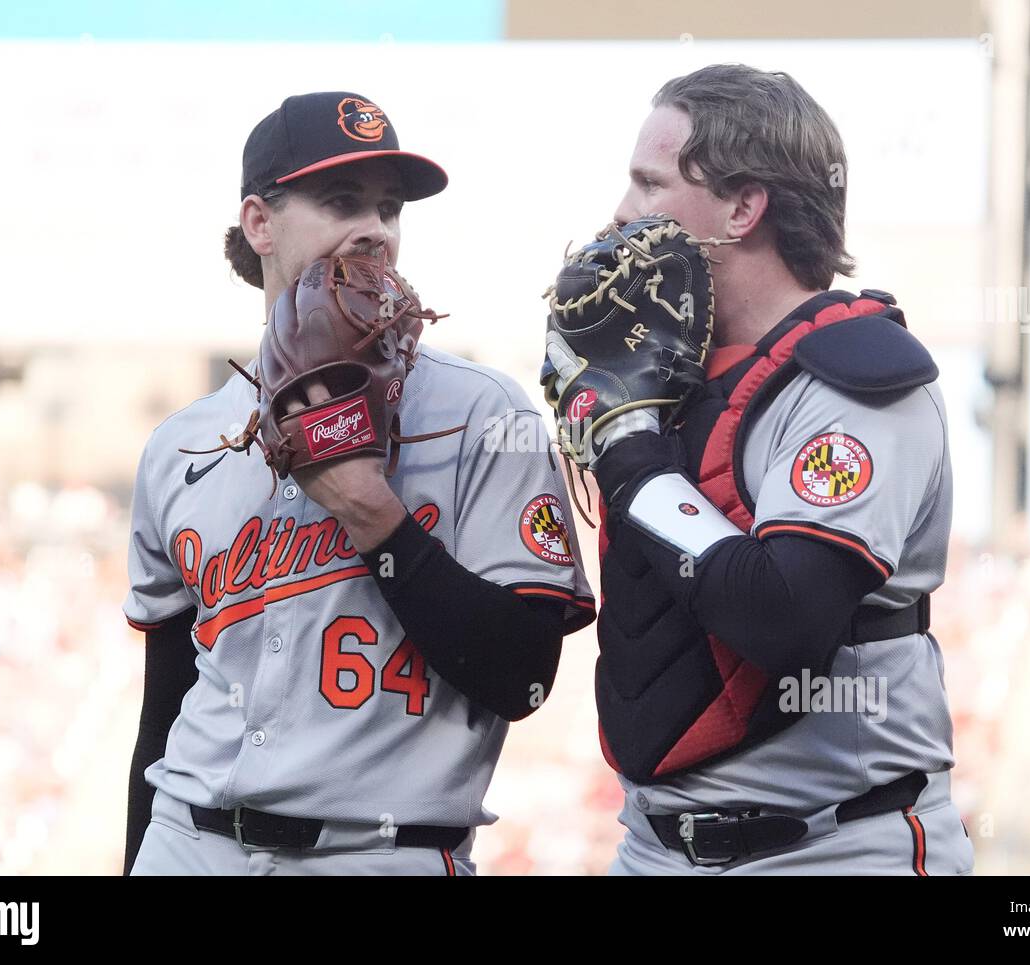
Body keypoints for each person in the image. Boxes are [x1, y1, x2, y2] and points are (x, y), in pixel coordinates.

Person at [122, 91, 594, 876]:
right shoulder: (183, 444)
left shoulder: (483, 413)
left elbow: (525, 675)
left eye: (390, 206)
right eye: (342, 201)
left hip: (380, 851)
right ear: (259, 223)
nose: (375, 227)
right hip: (187, 841)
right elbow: (163, 709)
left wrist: (371, 510)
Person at [574, 64, 974, 875]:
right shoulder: (669, 375)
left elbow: (784, 616)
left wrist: (631, 453)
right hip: (650, 848)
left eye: (650, 184)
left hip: (833, 848)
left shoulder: (857, 378)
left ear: (744, 206)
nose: (623, 212)